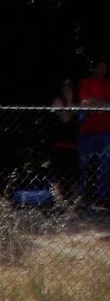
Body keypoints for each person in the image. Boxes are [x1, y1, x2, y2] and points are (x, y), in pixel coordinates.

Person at [79, 58, 110, 207]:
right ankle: (82, 195)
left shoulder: (108, 84)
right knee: (84, 164)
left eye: (105, 68)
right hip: (88, 131)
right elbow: (84, 103)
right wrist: (101, 103)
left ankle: (102, 196)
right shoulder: (86, 83)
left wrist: (96, 102)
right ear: (94, 68)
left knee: (105, 165)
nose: (102, 71)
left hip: (106, 131)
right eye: (100, 67)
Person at [49, 77, 79, 200]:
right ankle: (60, 198)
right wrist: (67, 102)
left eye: (69, 87)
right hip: (59, 142)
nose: (67, 89)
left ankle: (73, 198)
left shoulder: (75, 102)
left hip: (73, 143)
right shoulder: (57, 101)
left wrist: (70, 101)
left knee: (72, 174)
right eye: (65, 87)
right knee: (60, 173)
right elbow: (65, 118)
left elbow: (74, 117)